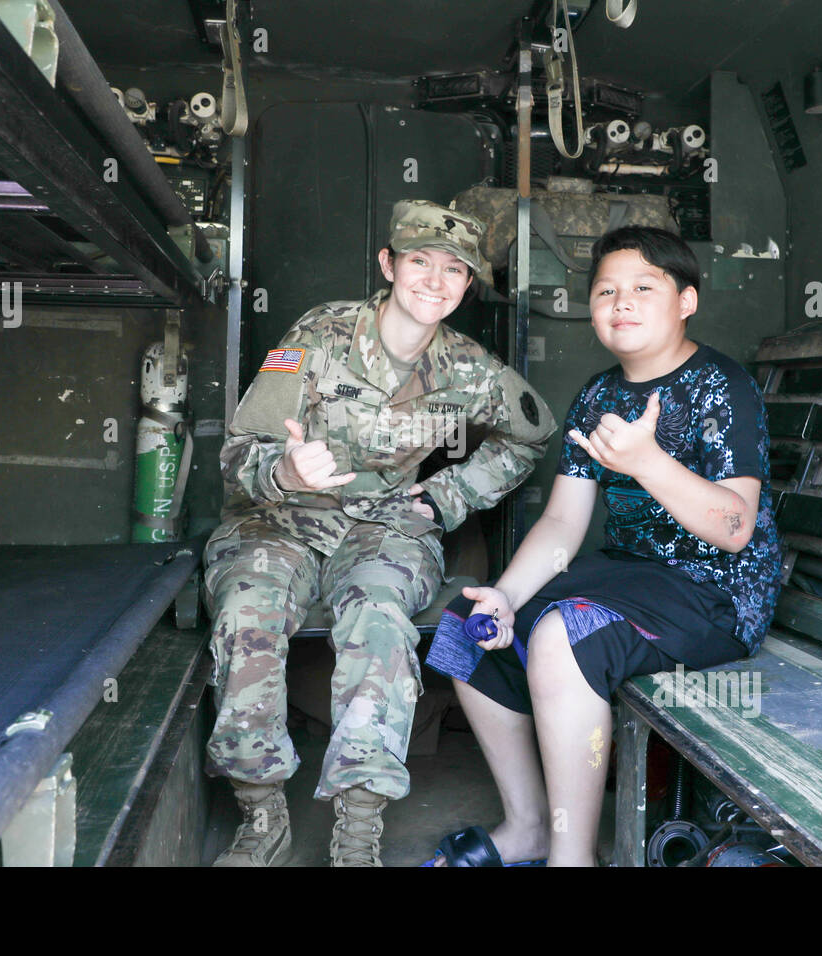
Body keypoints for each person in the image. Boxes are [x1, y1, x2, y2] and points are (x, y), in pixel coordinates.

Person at [203, 199, 557, 867]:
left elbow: (535, 433)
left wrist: (449, 496)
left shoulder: (468, 366)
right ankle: (261, 815)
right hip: (281, 520)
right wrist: (282, 468)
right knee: (248, 611)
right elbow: (238, 450)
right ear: (388, 264)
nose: (435, 280)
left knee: (381, 619)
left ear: (467, 285)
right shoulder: (320, 333)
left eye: (455, 270)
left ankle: (359, 828)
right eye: (420, 261)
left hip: (386, 526)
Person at [426, 224, 783, 867]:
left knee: (568, 636)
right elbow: (564, 523)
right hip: (630, 576)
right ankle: (529, 825)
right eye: (606, 291)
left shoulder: (722, 388)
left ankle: (572, 857)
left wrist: (648, 462)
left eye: (645, 287)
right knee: (466, 624)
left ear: (687, 301)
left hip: (717, 592)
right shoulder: (598, 395)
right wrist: (505, 595)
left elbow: (735, 530)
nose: (621, 301)